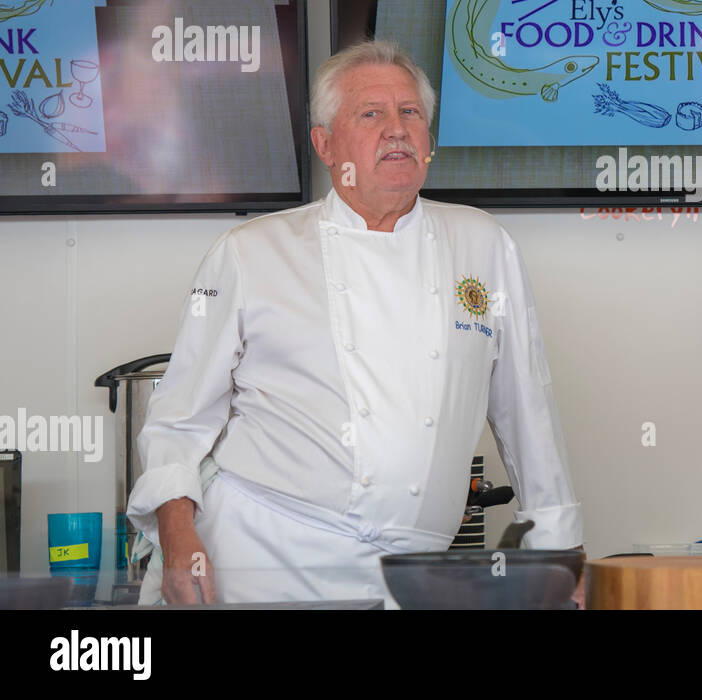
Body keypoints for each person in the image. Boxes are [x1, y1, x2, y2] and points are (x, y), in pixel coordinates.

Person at [127, 40, 583, 607]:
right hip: (259, 560)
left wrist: (560, 556)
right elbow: (177, 423)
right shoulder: (251, 252)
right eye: (372, 114)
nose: (397, 129)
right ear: (324, 143)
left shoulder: (483, 244)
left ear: (430, 140)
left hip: (405, 574)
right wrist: (177, 544)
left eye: (410, 113)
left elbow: (527, 413)